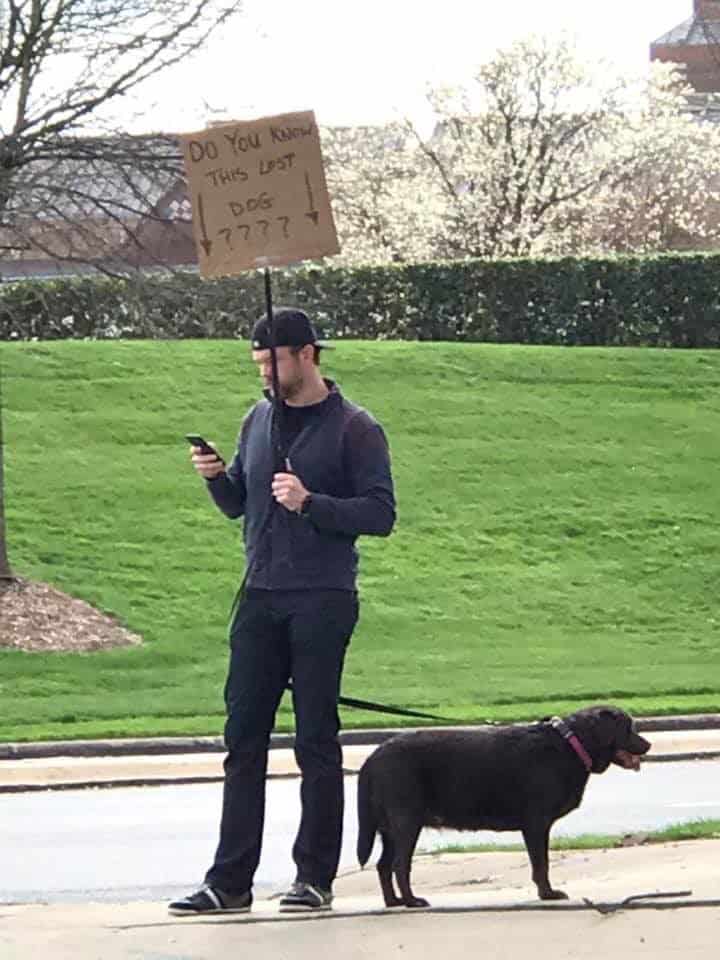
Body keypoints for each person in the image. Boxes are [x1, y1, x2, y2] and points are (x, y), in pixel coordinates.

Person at [169, 306, 396, 915]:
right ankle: (229, 881)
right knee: (242, 738)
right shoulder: (258, 419)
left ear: (308, 355)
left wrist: (311, 502)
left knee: (315, 738)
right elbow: (242, 505)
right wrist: (217, 478)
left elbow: (380, 514)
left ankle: (314, 878)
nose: (265, 374)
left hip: (323, 597)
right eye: (258, 364)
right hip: (260, 595)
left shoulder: (356, 428)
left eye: (273, 361)